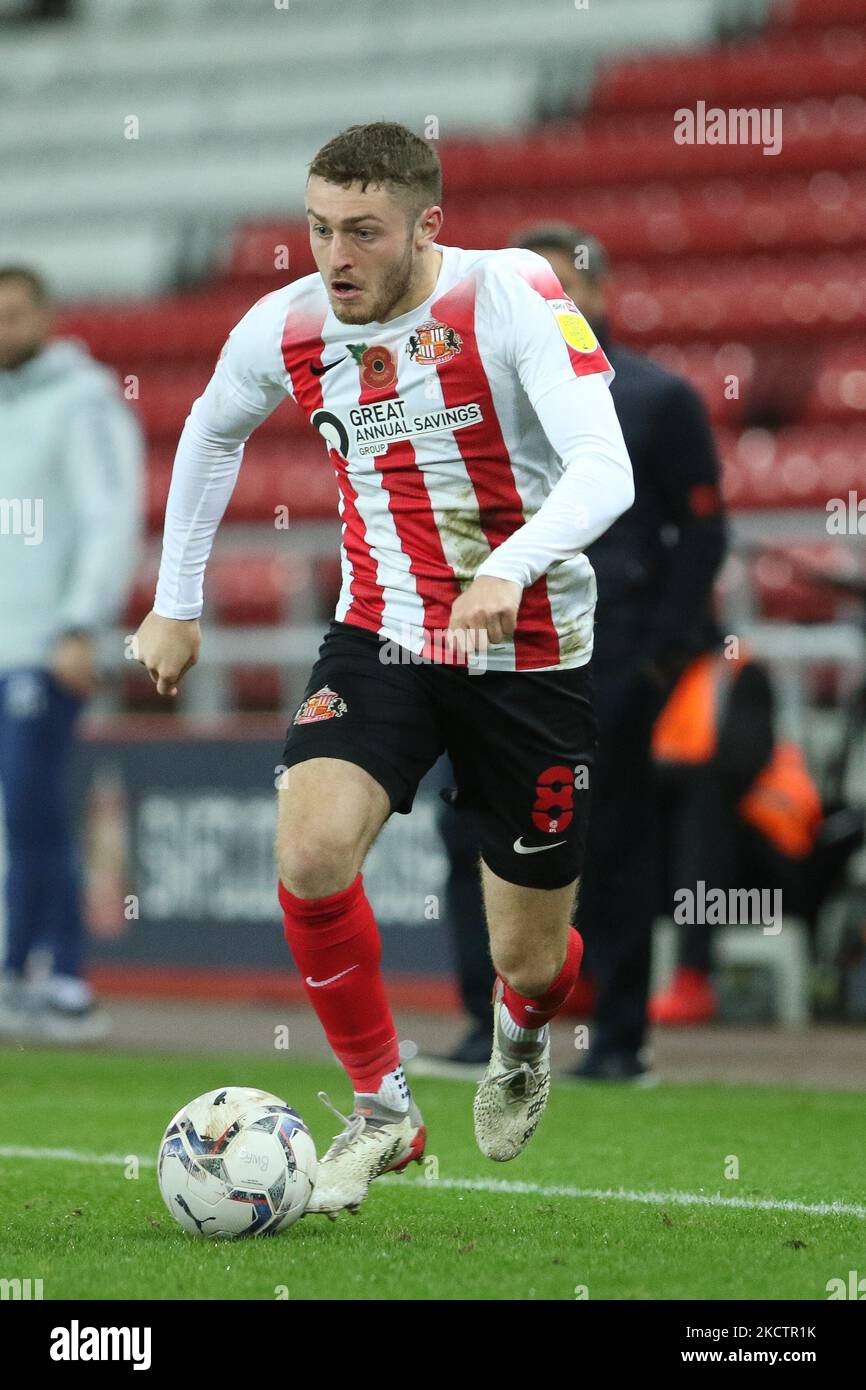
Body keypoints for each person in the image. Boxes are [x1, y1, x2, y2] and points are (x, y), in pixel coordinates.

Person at [135, 123, 634, 1216]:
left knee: (532, 953)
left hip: (528, 646)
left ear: (426, 225)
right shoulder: (290, 324)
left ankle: (519, 1034)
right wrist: (176, 603)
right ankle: (382, 1108)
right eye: (318, 229)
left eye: (361, 231)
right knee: (309, 848)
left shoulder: (508, 294)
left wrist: (507, 567)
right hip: (384, 633)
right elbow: (213, 435)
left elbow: (605, 469)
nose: (334, 256)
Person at [432, 223, 728, 1080]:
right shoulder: (469, 393)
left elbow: (702, 538)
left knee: (616, 838)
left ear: (599, 294)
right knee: (471, 831)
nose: (547, 299)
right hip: (490, 647)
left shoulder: (655, 398)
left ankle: (621, 1036)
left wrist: (656, 661)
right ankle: (483, 1023)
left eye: (562, 284)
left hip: (609, 655)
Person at [0, 265, 144, 1038]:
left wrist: (83, 622)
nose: (4, 330)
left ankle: (55, 975)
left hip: (43, 645)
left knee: (33, 810)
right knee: (20, 815)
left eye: (14, 314)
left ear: (45, 316)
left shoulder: (81, 399)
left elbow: (108, 515)